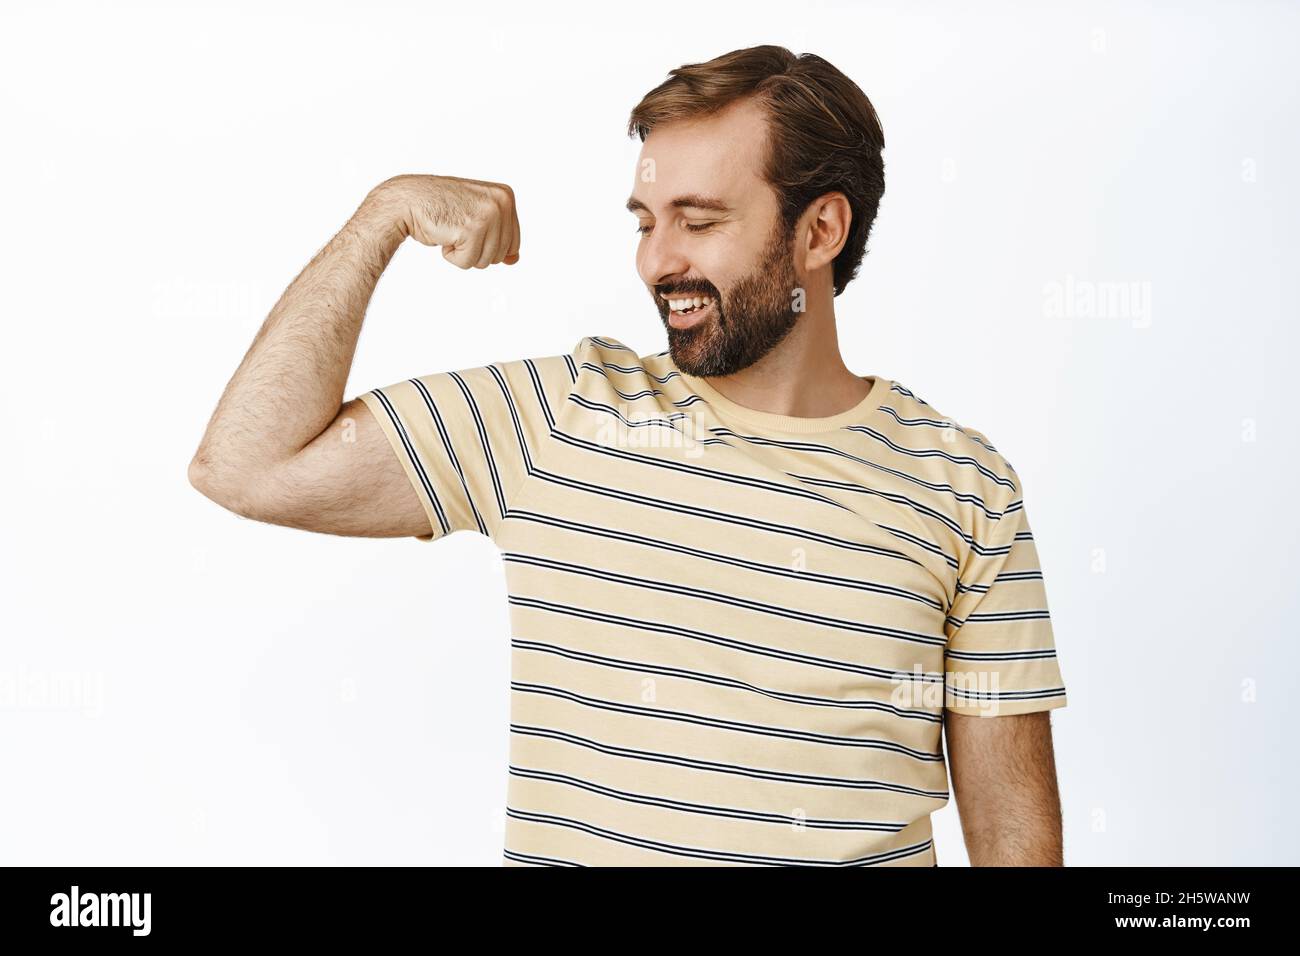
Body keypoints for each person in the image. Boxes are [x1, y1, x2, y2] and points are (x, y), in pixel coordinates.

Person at [189, 44, 1067, 867]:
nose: (657, 260)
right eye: (646, 221)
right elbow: (244, 465)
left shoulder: (963, 482)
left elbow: (1012, 827)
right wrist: (380, 217)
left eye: (700, 221)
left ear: (820, 230)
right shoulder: (559, 414)